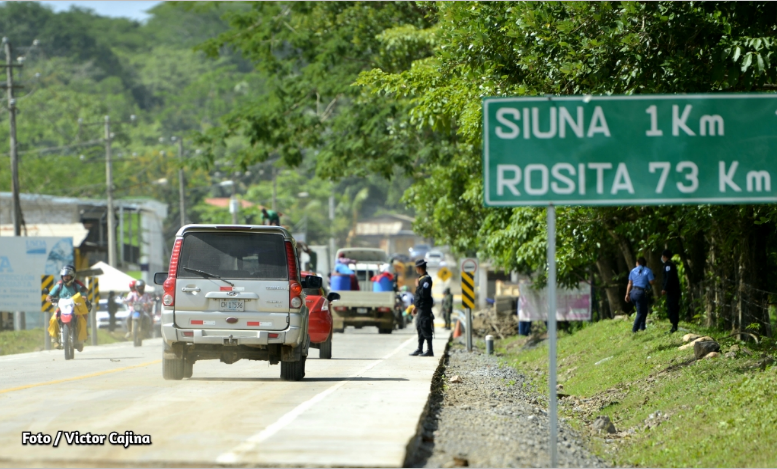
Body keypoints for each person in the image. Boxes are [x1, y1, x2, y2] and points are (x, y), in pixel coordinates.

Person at [46, 265, 89, 350]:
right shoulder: (59, 286)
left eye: (68, 276)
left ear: (72, 276)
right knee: (53, 319)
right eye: (64, 276)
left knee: (81, 320)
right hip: (61, 308)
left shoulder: (77, 286)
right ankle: (55, 340)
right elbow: (49, 296)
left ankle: (81, 340)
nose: (66, 278)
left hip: (75, 308)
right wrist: (50, 299)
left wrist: (83, 297)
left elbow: (84, 294)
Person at [410, 259, 435, 357]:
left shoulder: (426, 280)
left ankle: (430, 350)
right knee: (420, 327)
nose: (416, 269)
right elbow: (418, 296)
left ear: (419, 268)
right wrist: (415, 306)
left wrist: (417, 286)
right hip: (420, 307)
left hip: (425, 308)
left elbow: (424, 294)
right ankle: (420, 348)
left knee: (425, 327)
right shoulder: (421, 279)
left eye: (417, 267)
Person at [625, 257, 655, 333]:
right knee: (640, 312)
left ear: (637, 263)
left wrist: (627, 294)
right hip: (641, 293)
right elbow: (651, 282)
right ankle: (634, 330)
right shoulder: (648, 270)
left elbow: (629, 283)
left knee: (644, 310)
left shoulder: (632, 271)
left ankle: (642, 327)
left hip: (633, 293)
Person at [661, 249, 681, 333]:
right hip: (671, 291)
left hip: (673, 290)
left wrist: (665, 288)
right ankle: (673, 324)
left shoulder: (668, 265)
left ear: (665, 256)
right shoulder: (668, 265)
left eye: (662, 256)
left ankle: (674, 325)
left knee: (673, 307)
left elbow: (669, 278)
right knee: (671, 307)